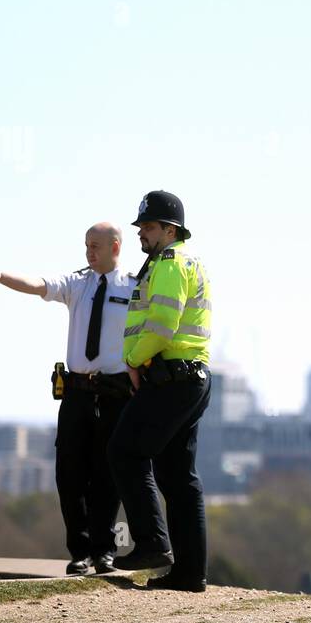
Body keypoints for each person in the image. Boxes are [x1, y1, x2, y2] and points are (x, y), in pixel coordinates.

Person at [0, 223, 137, 576]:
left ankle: (103, 551)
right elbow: (39, 285)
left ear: (115, 248)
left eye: (95, 246)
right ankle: (80, 551)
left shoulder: (136, 285)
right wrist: (1, 276)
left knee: (107, 475)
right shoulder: (78, 284)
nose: (89, 252)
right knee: (69, 473)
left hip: (115, 393)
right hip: (76, 391)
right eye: (86, 246)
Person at [107, 190, 212, 591]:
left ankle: (152, 545)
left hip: (170, 378)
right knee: (178, 477)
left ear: (170, 230)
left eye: (148, 227)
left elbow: (163, 325)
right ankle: (190, 573)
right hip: (191, 379)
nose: (141, 234)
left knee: (124, 451)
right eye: (140, 227)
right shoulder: (185, 263)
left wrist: (132, 360)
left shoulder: (168, 263)